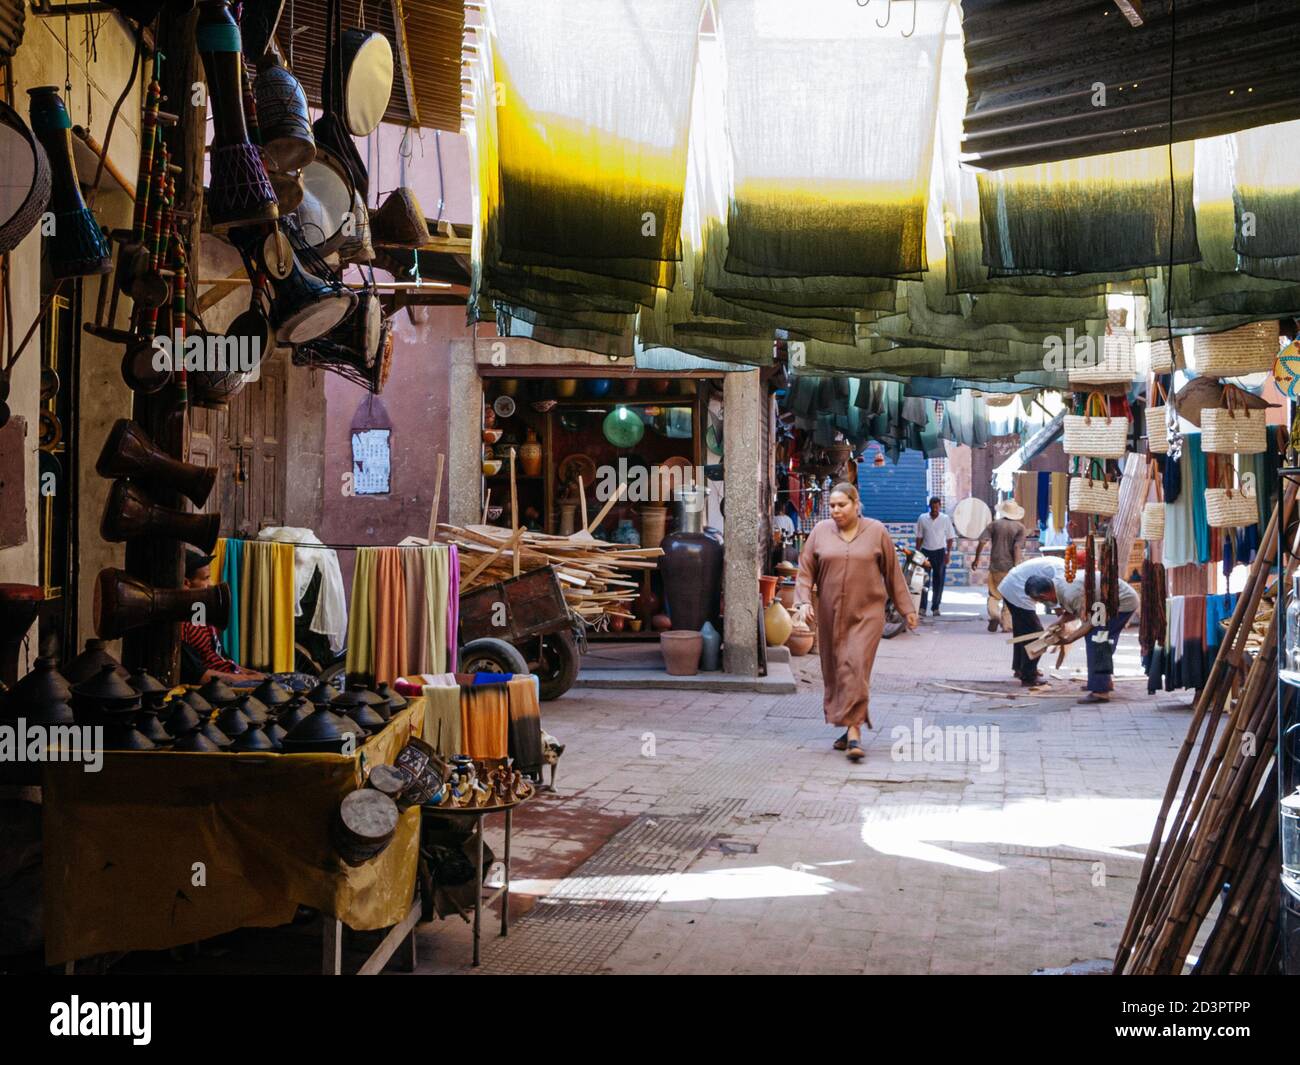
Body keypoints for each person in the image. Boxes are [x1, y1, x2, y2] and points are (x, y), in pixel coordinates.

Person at [794, 481, 918, 762]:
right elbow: (805, 571)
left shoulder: (876, 531)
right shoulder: (820, 531)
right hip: (830, 616)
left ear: (856, 503)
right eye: (832, 506)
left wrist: (906, 608)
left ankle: (854, 734)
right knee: (838, 671)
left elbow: (893, 573)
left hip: (867, 615)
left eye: (842, 505)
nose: (836, 511)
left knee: (855, 665)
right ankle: (849, 724)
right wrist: (802, 601)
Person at [1026, 571, 1139, 704]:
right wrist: (1058, 622)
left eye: (1039, 600)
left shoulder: (1070, 593)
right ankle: (1101, 682)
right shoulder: (1058, 586)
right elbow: (1075, 610)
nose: (1041, 603)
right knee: (1097, 640)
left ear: (1043, 596)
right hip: (1105, 605)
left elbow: (1089, 623)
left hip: (1121, 603)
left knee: (1098, 641)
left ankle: (1100, 691)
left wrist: (1069, 639)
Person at [179, 549, 266, 686]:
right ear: (186, 583)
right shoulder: (180, 626)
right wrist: (247, 679)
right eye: (206, 578)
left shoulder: (199, 614)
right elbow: (199, 675)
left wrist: (251, 673)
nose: (211, 583)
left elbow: (219, 657)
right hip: (221, 688)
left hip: (235, 677)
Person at [997, 554, 1067, 686]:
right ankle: (1028, 676)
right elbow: (1053, 594)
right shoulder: (1062, 571)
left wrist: (1061, 618)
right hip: (1017, 589)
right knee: (1036, 634)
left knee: (1023, 632)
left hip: (1011, 586)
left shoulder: (1063, 567)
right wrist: (1062, 619)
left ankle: (1020, 668)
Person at [972, 499, 1027, 633]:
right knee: (1009, 597)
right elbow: (1017, 547)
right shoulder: (1020, 528)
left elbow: (982, 541)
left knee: (994, 594)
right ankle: (1007, 625)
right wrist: (1017, 566)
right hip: (1010, 567)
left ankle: (994, 615)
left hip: (996, 565)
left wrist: (976, 559)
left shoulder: (994, 525)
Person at [915, 496, 956, 616]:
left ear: (940, 506)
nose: (934, 509)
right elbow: (919, 537)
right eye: (933, 507)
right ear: (929, 506)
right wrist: (917, 554)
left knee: (939, 581)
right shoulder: (922, 518)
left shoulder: (945, 519)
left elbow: (950, 538)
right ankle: (922, 608)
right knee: (924, 581)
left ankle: (935, 607)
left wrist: (948, 553)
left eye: (937, 507)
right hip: (925, 553)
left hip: (940, 553)